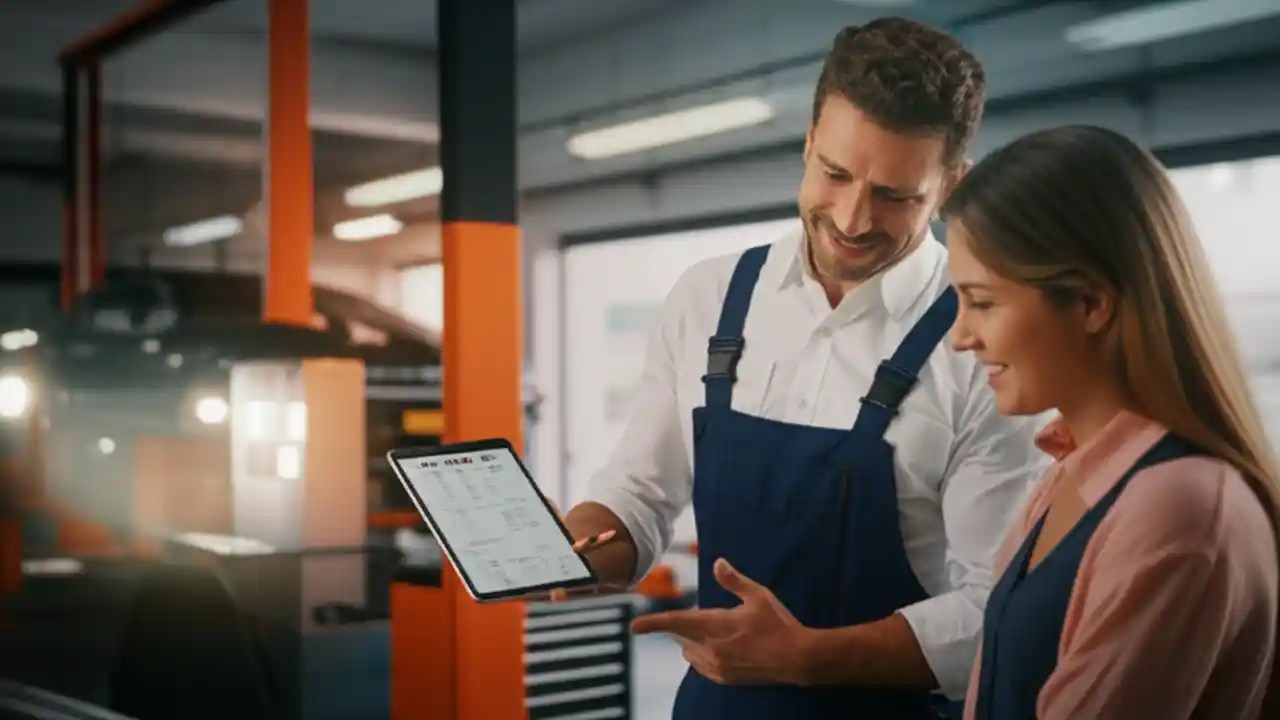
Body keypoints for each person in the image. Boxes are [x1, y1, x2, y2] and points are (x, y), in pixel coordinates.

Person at [558, 17, 1048, 718]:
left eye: (895, 195)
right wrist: (574, 552)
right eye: (835, 174)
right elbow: (641, 492)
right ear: (808, 142)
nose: (852, 218)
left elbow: (997, 611)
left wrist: (806, 658)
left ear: (950, 184)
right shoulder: (707, 298)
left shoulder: (981, 340)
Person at [941, 125, 1280, 720]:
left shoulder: (1179, 506)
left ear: (1091, 304)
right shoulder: (1068, 473)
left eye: (983, 302)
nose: (960, 336)